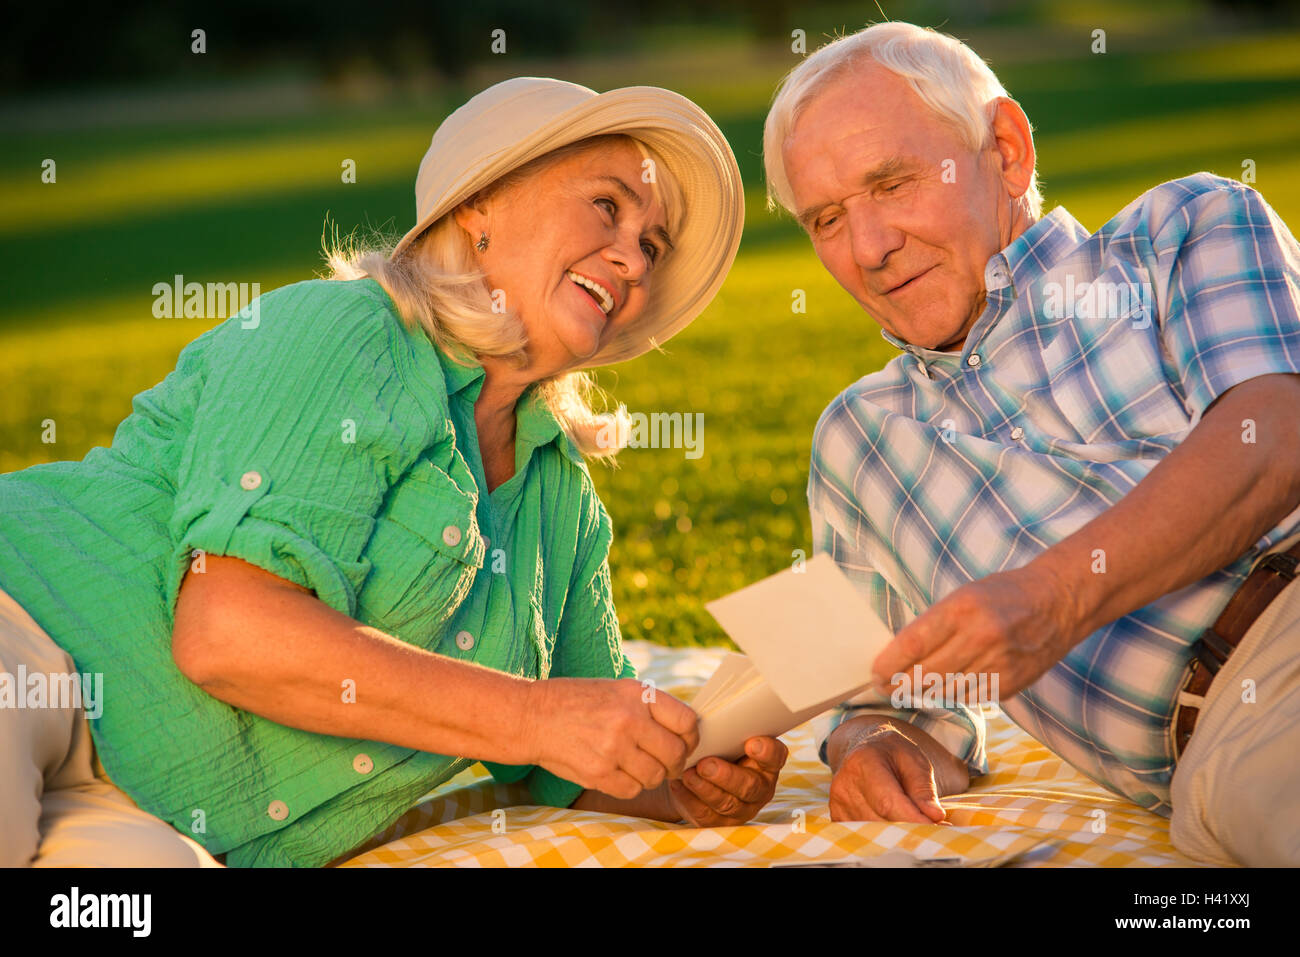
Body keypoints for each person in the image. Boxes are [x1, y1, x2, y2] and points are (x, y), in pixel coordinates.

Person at [0, 76, 788, 868]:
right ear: (480, 205)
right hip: (30, 639)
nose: (633, 258)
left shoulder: (560, 496)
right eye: (608, 207)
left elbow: (570, 759)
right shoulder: (350, 334)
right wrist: (537, 716)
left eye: (652, 246)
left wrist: (673, 781)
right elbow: (227, 631)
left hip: (143, 806)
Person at [763, 21, 1300, 865]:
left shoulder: (1184, 227)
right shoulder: (859, 441)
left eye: (894, 183)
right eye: (827, 219)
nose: (868, 249)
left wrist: (1053, 596)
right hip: (1226, 748)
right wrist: (873, 745)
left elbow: (1275, 434)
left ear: (1006, 150)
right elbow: (897, 701)